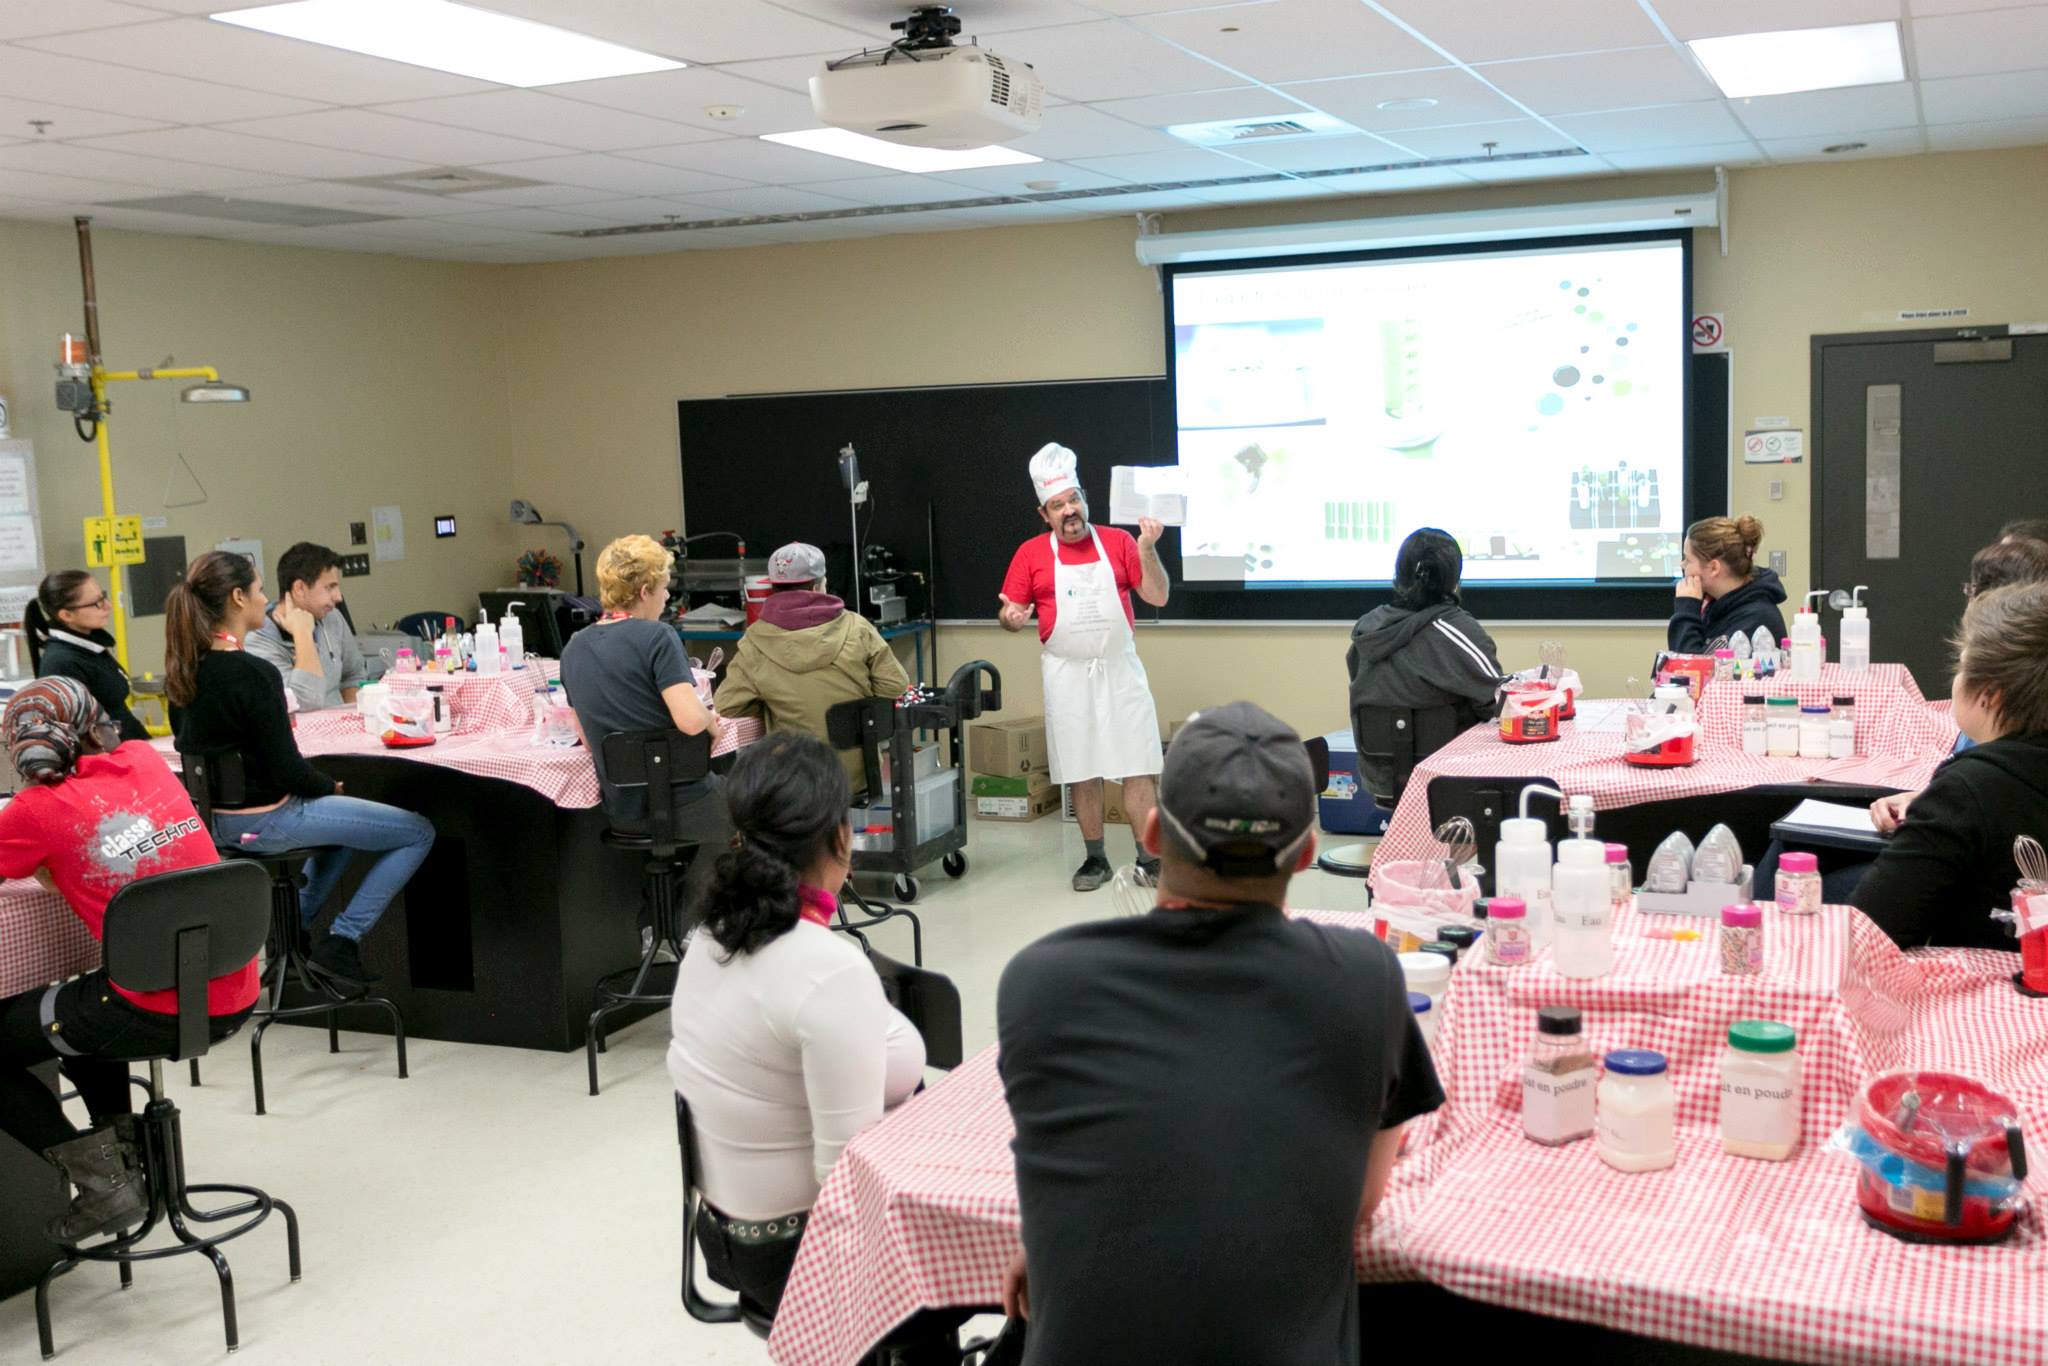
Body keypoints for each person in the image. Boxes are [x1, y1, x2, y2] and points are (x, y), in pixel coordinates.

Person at [996, 702, 1443, 1366]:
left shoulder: (1042, 981)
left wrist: (1050, 1246)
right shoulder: (1364, 979)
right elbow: (1357, 1202)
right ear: (1307, 854)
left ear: (1152, 834)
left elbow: (1098, 1170)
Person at [667, 732, 926, 1322]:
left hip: (725, 1237)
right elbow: (845, 1182)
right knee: (1049, 1251)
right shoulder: (827, 969)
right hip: (806, 1258)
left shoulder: (710, 936)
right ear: (841, 837)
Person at [0, 678, 259, 1242]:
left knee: (51, 1019)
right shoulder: (144, 760)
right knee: (76, 1003)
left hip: (148, 1008)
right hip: (233, 988)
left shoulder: (34, 811)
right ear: (95, 726)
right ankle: (121, 1153)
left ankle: (104, 1184)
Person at [168, 551, 434, 985]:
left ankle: (293, 932)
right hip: (269, 820)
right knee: (418, 832)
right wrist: (330, 786)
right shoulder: (254, 673)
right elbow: (289, 771)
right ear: (238, 598)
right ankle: (342, 940)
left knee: (340, 838)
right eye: (259, 590)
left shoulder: (183, 673)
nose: (265, 599)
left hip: (218, 824)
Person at [998, 443, 1169, 891]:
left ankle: (1150, 859)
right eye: (1058, 505)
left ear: (1084, 498)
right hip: (1067, 675)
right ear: (1044, 513)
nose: (1069, 510)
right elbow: (1010, 614)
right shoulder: (1030, 554)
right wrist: (1011, 617)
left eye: (1074, 499)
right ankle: (1095, 859)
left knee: (1138, 764)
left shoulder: (1120, 542)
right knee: (1080, 768)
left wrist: (1148, 549)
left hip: (1119, 669)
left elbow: (1158, 595)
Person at [1847, 581, 2048, 949]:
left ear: (1990, 696)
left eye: (1961, 665)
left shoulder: (1969, 790)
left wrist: (1939, 806)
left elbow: (1872, 934)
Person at [559, 535, 732, 910]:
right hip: (685, 804)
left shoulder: (573, 647)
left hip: (623, 812)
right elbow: (690, 721)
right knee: (759, 808)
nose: (667, 597)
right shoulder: (658, 637)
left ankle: (660, 920)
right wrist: (710, 720)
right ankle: (692, 921)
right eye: (665, 588)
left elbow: (587, 740)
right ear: (643, 591)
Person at [714, 541, 909, 794]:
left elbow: (726, 706)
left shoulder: (754, 640)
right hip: (856, 776)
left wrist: (768, 703)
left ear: (773, 589)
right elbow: (895, 685)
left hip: (793, 780)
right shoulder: (857, 627)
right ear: (818, 587)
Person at [1346, 527, 1503, 800]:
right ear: (1453, 580)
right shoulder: (1459, 630)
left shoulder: (1367, 629)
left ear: (1399, 575)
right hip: (1451, 776)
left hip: (1382, 779)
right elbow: (1497, 702)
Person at [24, 570, 149, 742]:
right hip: (110, 753)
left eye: (103, 597)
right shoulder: (62, 663)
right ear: (66, 615)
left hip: (130, 744)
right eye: (97, 603)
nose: (108, 605)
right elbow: (84, 736)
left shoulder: (90, 645)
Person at [244, 542, 367, 712]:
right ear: (300, 588)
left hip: (341, 722)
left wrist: (349, 716)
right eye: (329, 587)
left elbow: (354, 674)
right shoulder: (257, 641)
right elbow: (304, 702)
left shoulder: (332, 617)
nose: (338, 597)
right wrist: (303, 634)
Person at [1668, 514, 1787, 653]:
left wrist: (1686, 610)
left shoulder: (1756, 619)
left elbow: (1690, 663)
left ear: (1714, 568)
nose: (1682, 565)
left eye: (1687, 560)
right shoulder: (1715, 604)